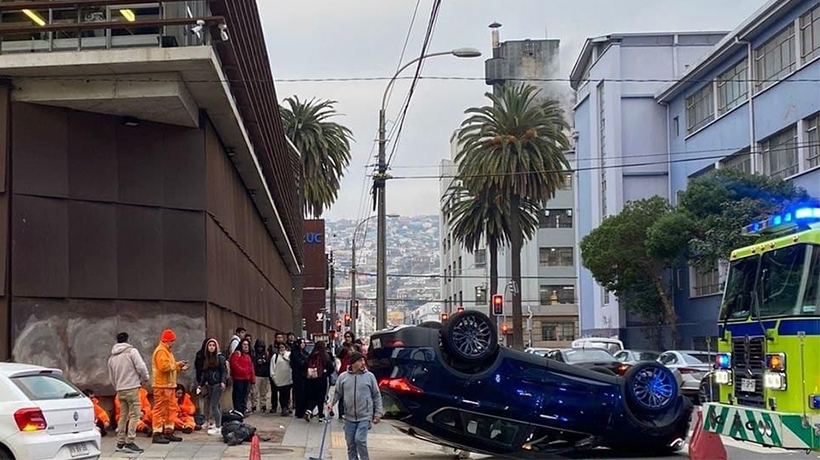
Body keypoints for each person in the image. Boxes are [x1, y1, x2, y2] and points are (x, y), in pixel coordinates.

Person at [328, 352, 383, 460]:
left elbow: (376, 395)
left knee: (360, 439)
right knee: (350, 443)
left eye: (363, 360)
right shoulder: (343, 377)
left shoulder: (370, 377)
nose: (363, 363)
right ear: (352, 363)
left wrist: (378, 413)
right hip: (349, 416)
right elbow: (338, 393)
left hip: (365, 415)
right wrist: (331, 403)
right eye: (359, 360)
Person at [107, 331, 150, 453]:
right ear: (128, 340)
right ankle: (130, 441)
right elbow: (141, 366)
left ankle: (120, 442)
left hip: (120, 389)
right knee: (135, 414)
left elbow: (111, 377)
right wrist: (145, 378)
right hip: (132, 387)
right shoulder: (132, 351)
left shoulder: (112, 358)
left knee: (123, 416)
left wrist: (117, 386)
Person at [151, 329, 188, 444]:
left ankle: (168, 431)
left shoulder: (166, 351)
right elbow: (164, 367)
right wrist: (176, 365)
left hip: (169, 386)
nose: (174, 343)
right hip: (162, 386)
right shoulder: (161, 351)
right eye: (173, 341)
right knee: (160, 410)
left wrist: (178, 367)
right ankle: (156, 433)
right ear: (168, 341)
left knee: (170, 409)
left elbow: (169, 366)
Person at [197, 338, 227, 435]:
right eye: (210, 345)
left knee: (214, 405)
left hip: (217, 384)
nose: (211, 347)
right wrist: (200, 385)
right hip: (210, 384)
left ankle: (218, 426)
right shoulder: (207, 358)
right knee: (215, 405)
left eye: (213, 345)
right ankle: (217, 423)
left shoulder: (220, 358)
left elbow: (223, 371)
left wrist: (223, 381)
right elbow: (205, 374)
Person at [304, 341, 334, 423]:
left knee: (312, 397)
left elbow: (305, 366)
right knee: (321, 398)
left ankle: (309, 410)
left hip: (311, 379)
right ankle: (321, 415)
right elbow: (331, 368)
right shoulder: (325, 356)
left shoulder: (311, 355)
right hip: (322, 379)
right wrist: (325, 373)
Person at [229, 339, 255, 415]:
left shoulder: (248, 356)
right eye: (244, 344)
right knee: (238, 396)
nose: (246, 346)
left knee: (244, 396)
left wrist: (252, 378)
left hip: (246, 379)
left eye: (247, 345)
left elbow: (251, 368)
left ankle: (243, 410)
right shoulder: (237, 354)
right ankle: (238, 410)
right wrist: (243, 371)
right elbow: (234, 364)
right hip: (238, 379)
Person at [270, 342, 293, 417]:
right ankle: (283, 407)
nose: (281, 349)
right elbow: (272, 367)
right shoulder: (275, 356)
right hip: (279, 379)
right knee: (281, 395)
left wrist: (284, 357)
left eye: (283, 347)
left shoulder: (289, 355)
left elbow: (292, 363)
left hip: (288, 379)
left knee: (287, 394)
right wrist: (273, 377)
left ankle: (286, 407)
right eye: (280, 348)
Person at [251, 339, 271, 413]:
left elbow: (268, 363)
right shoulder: (254, 354)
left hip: (264, 375)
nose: (260, 348)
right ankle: (254, 406)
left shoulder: (266, 354)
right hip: (256, 374)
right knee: (254, 392)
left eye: (261, 347)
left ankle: (263, 405)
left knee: (264, 392)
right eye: (259, 347)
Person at [291, 338, 308, 419]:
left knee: (305, 393)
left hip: (305, 376)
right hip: (298, 376)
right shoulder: (295, 353)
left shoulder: (305, 353)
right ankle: (299, 412)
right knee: (299, 394)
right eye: (301, 343)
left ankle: (305, 410)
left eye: (304, 343)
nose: (303, 345)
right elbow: (298, 363)